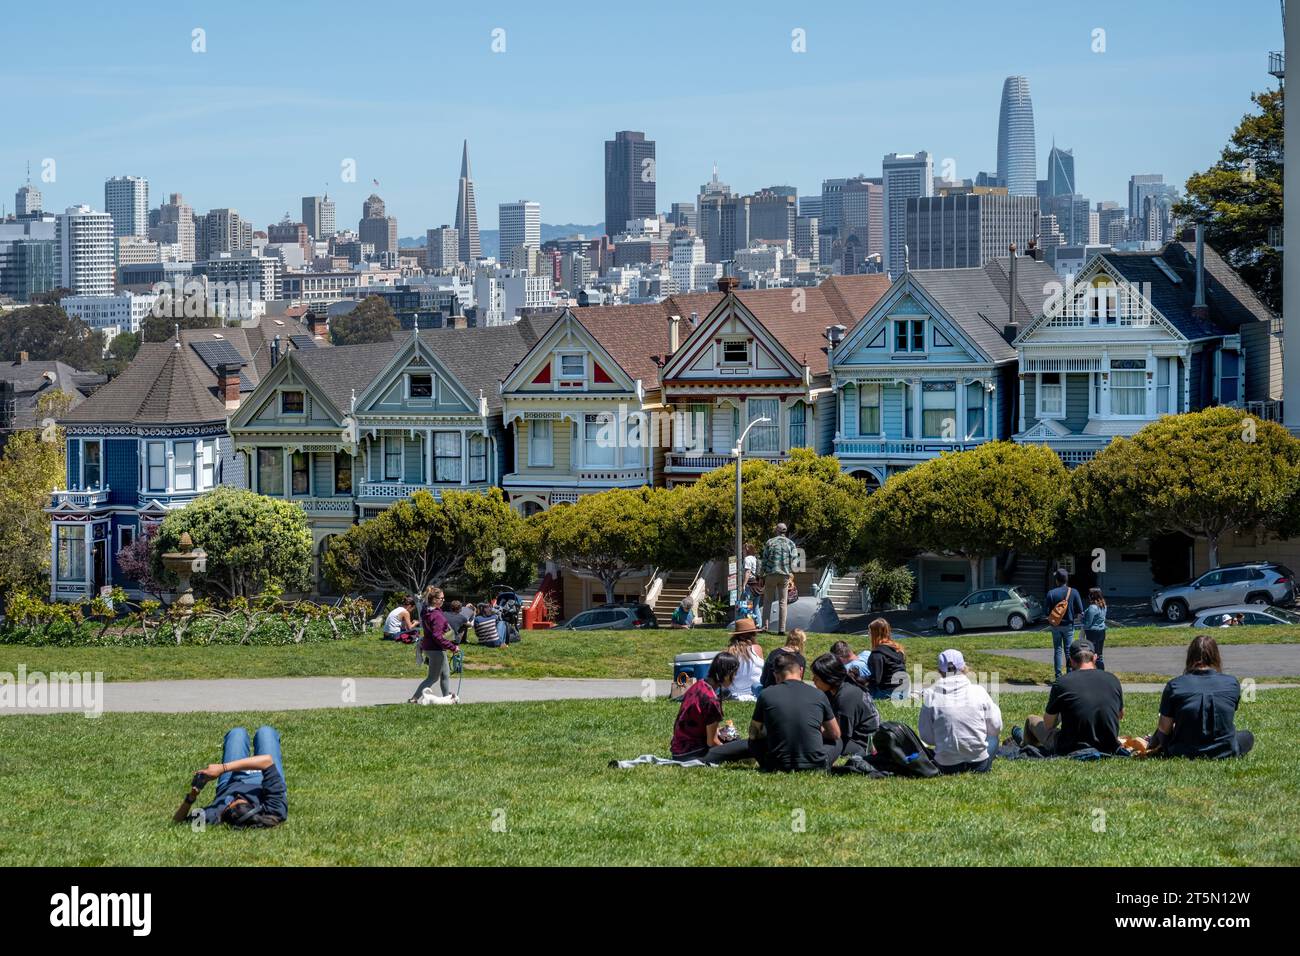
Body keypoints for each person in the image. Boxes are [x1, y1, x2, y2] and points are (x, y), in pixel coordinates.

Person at [1148, 635, 1254, 758]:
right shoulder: (1231, 683)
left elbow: (1164, 728)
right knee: (1247, 736)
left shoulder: (1175, 685)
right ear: (1216, 656)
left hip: (1183, 750)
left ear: (1190, 657)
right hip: (1225, 750)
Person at [173, 725, 287, 828]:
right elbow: (266, 761)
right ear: (254, 808)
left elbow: (178, 822)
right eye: (241, 800)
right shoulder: (273, 810)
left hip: (230, 782)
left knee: (237, 733)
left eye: (232, 801)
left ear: (225, 811)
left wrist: (191, 798)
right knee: (266, 732)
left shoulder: (215, 814)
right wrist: (222, 768)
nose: (237, 795)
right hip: (262, 779)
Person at [1024, 640, 1124, 755]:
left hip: (1070, 746)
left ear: (1071, 660)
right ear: (1095, 657)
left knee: (1031, 720)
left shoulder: (1062, 683)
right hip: (1108, 745)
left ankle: (1027, 749)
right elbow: (1119, 715)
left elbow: (1048, 724)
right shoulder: (1113, 679)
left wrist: (1062, 712)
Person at [748, 651, 841, 771]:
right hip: (815, 764)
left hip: (776, 764)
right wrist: (815, 731)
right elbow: (835, 734)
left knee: (753, 742)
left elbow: (754, 733)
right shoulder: (819, 694)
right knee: (838, 742)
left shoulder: (766, 694)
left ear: (776, 675)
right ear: (801, 671)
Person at [918, 649, 1003, 774]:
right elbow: (996, 728)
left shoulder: (931, 695)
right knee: (994, 739)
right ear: (964, 667)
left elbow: (926, 737)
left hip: (946, 765)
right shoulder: (978, 691)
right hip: (979, 765)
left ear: (939, 671)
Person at [670, 652, 753, 764]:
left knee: (731, 738)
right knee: (743, 745)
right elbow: (711, 742)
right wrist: (729, 751)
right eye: (734, 674)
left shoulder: (699, 685)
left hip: (678, 749)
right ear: (728, 674)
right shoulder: (711, 700)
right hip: (692, 753)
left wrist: (719, 732)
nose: (735, 678)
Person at [810, 652, 880, 758]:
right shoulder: (836, 689)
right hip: (853, 739)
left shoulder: (846, 697)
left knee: (815, 744)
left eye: (817, 678)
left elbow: (837, 735)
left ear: (829, 679)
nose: (813, 680)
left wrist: (815, 731)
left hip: (863, 745)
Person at [409, 586, 459, 703]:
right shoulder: (436, 615)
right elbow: (438, 636)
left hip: (429, 647)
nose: (443, 600)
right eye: (441, 598)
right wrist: (452, 647)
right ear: (435, 600)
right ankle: (414, 699)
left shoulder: (426, 611)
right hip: (436, 649)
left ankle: (447, 700)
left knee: (445, 675)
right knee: (432, 678)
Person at [1045, 568, 1085, 682]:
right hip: (1069, 625)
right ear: (1067, 579)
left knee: (1057, 649)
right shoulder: (1074, 592)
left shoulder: (1051, 593)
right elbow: (1080, 610)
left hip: (1055, 626)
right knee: (1069, 650)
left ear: (1057, 580)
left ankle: (1058, 677)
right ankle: (1069, 675)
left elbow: (1047, 612)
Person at [759, 522, 798, 635]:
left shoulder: (770, 542)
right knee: (783, 603)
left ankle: (764, 627)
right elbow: (795, 561)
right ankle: (781, 629)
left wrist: (761, 575)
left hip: (771, 574)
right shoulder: (791, 543)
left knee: (767, 602)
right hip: (784, 576)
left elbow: (764, 560)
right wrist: (790, 571)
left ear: (777, 530)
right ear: (785, 531)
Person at [859, 618, 907, 700]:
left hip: (887, 692)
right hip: (903, 691)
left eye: (869, 632)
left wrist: (860, 680)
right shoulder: (897, 649)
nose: (868, 634)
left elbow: (876, 680)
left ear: (875, 634)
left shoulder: (877, 654)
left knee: (857, 693)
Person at [724, 619, 765, 701]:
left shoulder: (729, 651)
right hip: (755, 692)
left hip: (733, 693)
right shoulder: (757, 649)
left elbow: (725, 680)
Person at [1081, 588, 1108, 670]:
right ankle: (1101, 670)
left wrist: (1081, 619)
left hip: (1093, 633)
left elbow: (1088, 624)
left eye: (1089, 594)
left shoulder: (1092, 607)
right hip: (1102, 631)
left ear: (1092, 596)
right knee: (1099, 654)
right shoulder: (1103, 605)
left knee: (1093, 654)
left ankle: (1094, 671)